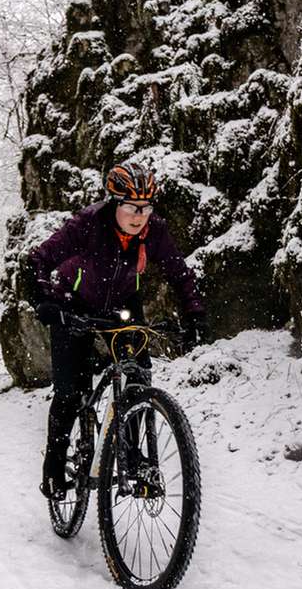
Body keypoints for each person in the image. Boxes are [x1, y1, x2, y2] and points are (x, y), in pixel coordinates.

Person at [27, 162, 207, 499]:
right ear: (114, 203)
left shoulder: (154, 230)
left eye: (146, 207)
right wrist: (44, 301)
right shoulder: (88, 225)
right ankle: (53, 465)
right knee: (70, 391)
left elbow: (179, 274)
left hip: (123, 304)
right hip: (73, 304)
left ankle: (132, 455)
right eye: (131, 207)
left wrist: (195, 314)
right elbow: (39, 259)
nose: (140, 216)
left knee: (137, 374)